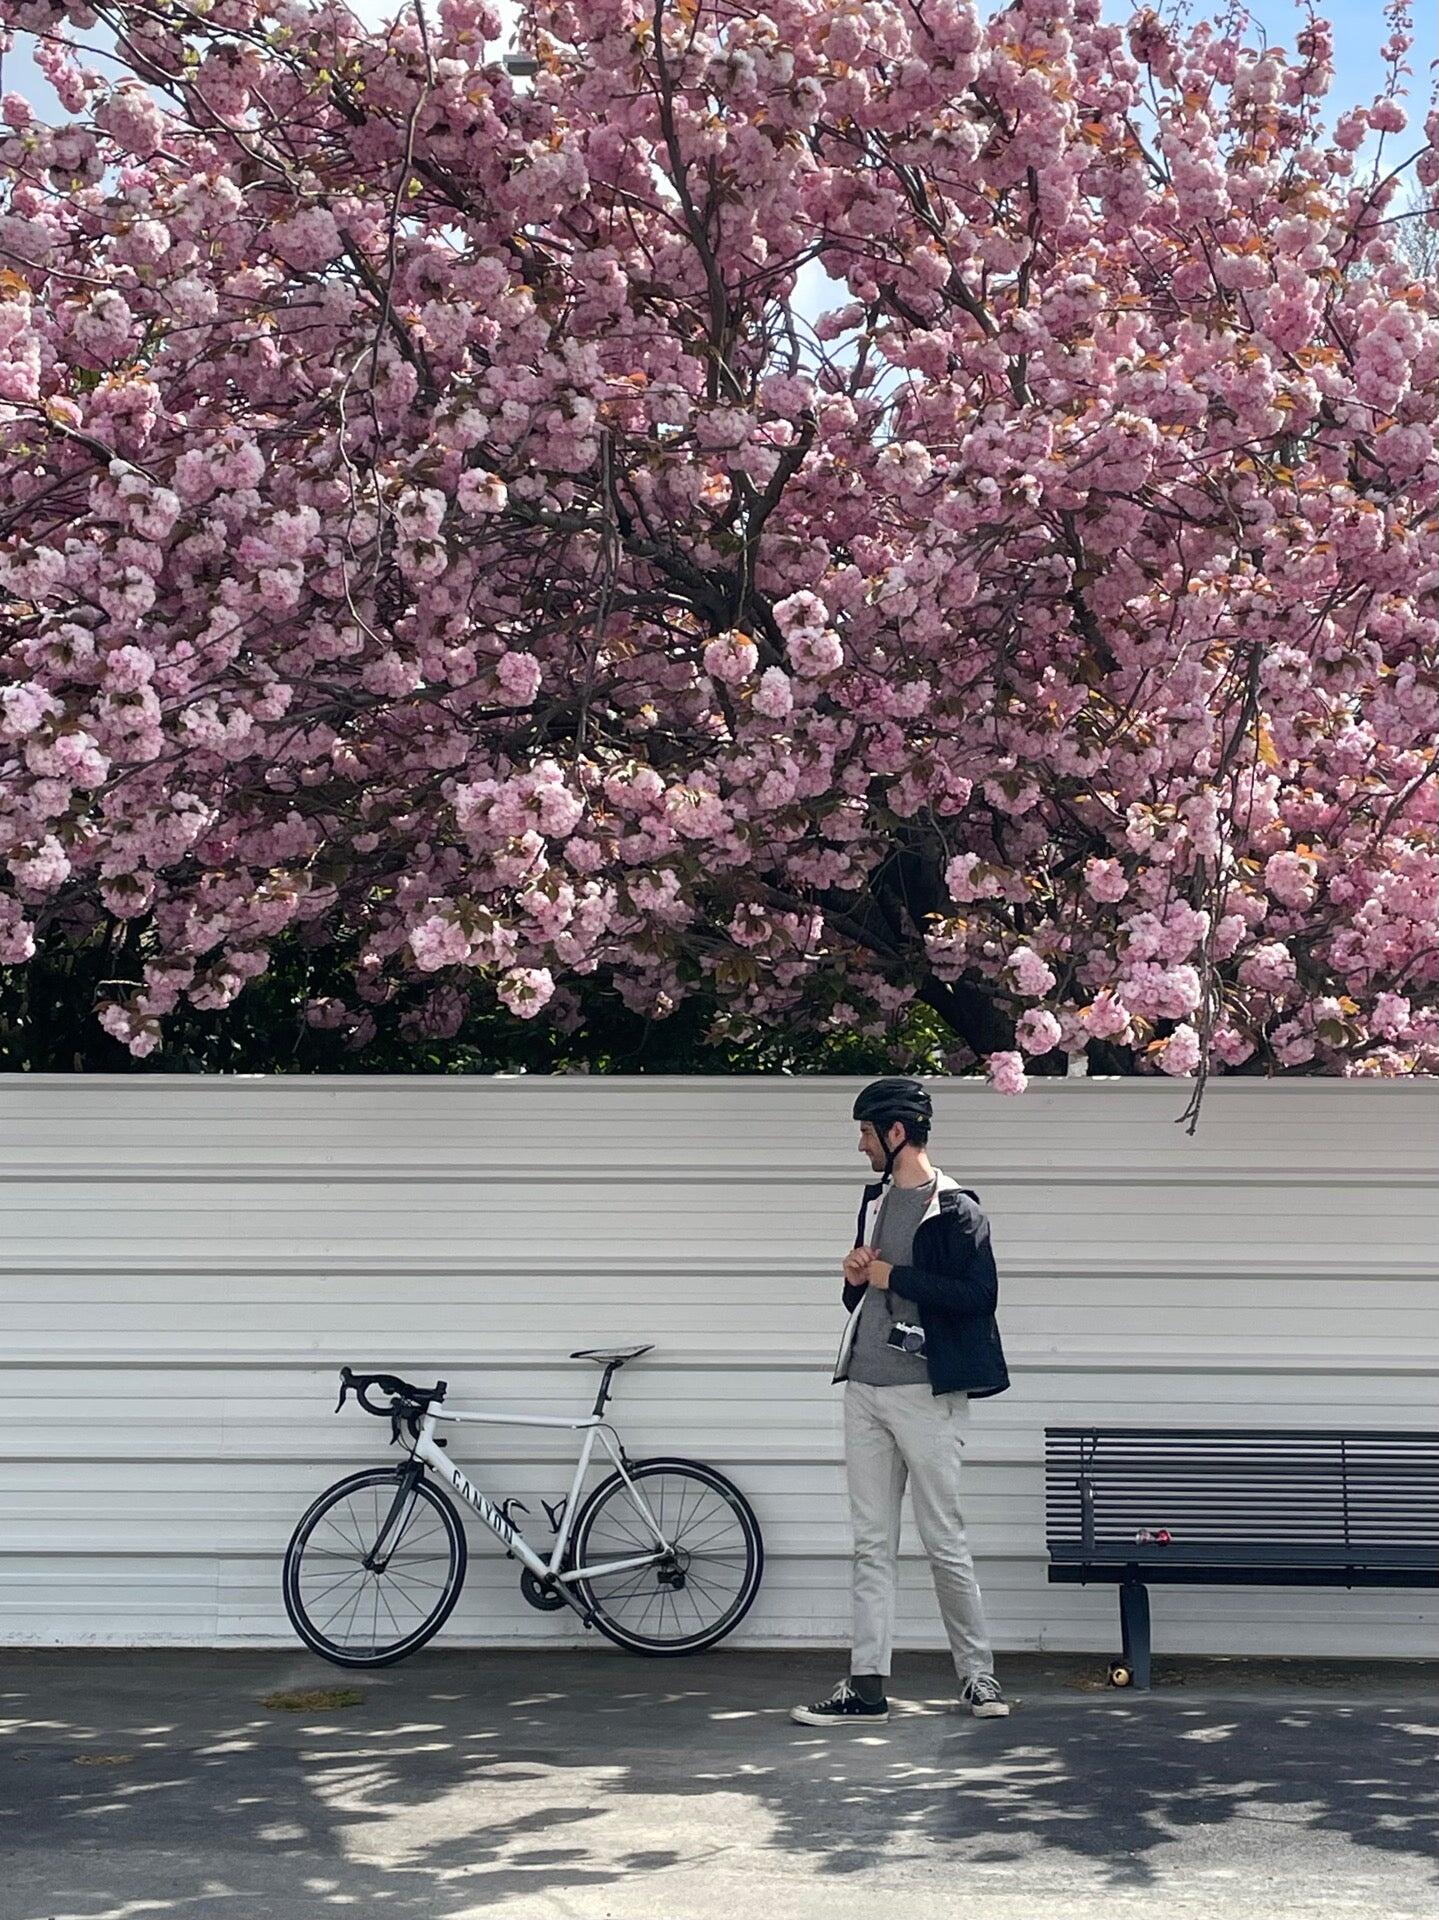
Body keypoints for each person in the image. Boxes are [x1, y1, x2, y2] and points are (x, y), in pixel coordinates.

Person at [791, 1076, 1011, 1726]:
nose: (858, 1146)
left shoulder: (956, 1210)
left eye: (864, 1132)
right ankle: (865, 1689)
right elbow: (867, 1300)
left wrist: (896, 1276)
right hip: (862, 1387)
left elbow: (977, 1298)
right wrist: (853, 1276)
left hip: (925, 1392)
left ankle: (979, 1680)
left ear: (894, 1132)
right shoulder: (874, 1201)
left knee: (943, 1537)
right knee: (870, 1543)